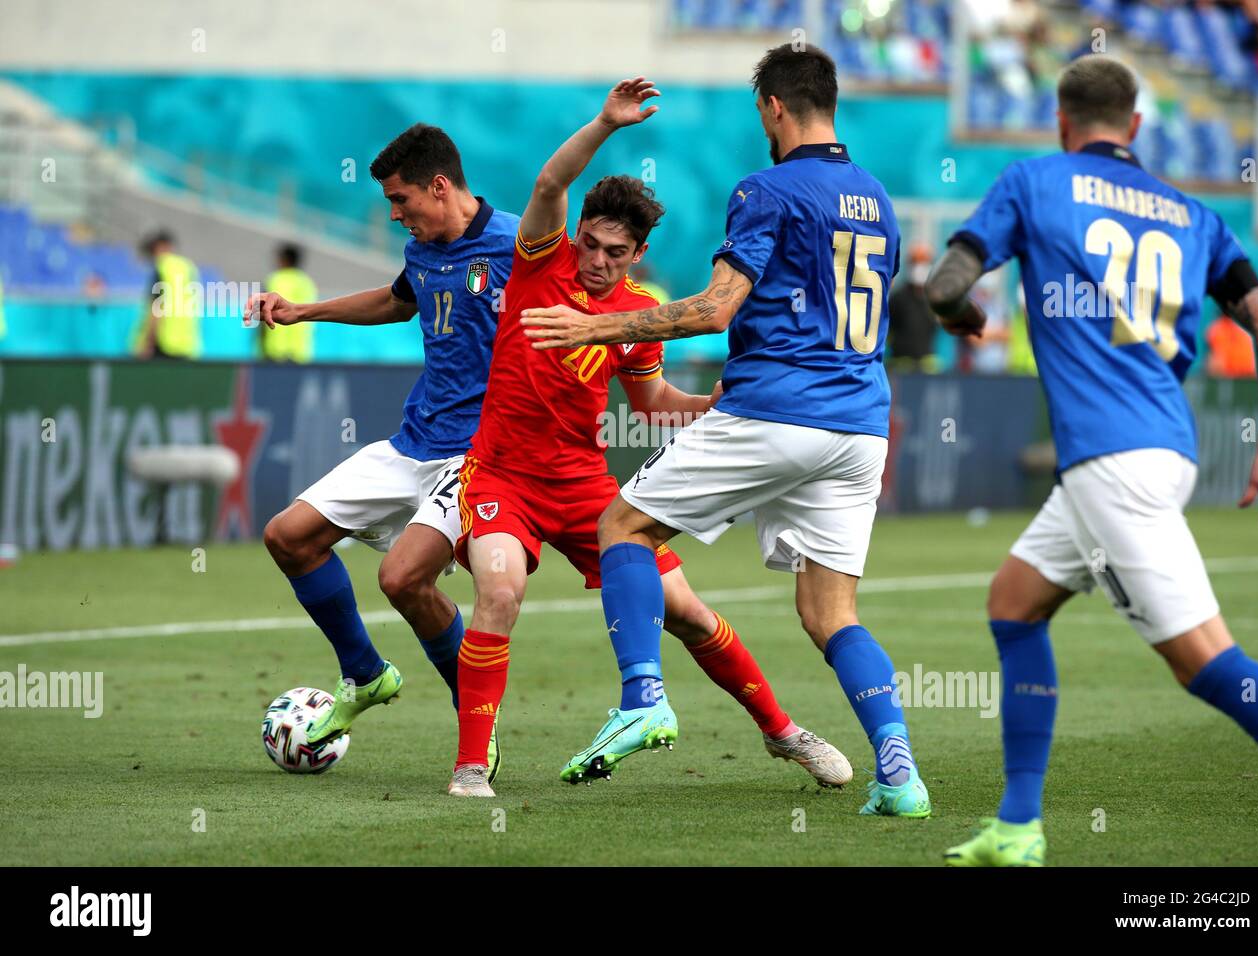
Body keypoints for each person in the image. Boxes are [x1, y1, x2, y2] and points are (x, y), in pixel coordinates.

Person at [521, 47, 931, 818]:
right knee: (831, 614)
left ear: (773, 107)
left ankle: (643, 696)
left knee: (623, 526)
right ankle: (900, 774)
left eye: (760, 114)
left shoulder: (766, 189)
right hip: (861, 427)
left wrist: (593, 327)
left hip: (781, 408)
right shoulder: (877, 198)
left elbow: (713, 309)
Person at [924, 54, 1258, 866]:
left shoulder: (1034, 180)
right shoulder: (1193, 213)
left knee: (1209, 663)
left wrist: (960, 312)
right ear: (1135, 127)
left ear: (1062, 123)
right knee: (1013, 603)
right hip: (1159, 446)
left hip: (1111, 462)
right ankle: (1018, 829)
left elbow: (946, 281)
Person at [447, 77, 850, 798]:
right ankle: (472, 768)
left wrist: (714, 404)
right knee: (500, 593)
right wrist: (605, 122)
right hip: (503, 476)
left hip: (582, 485)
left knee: (690, 615)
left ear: (638, 255)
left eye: (616, 252)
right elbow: (549, 179)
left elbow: (654, 401)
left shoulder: (639, 314)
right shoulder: (541, 261)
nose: (598, 261)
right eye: (593, 245)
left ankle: (783, 732)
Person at [245, 124, 518, 780]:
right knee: (288, 536)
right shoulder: (421, 249)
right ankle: (365, 674)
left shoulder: (518, 245)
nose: (395, 214)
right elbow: (396, 302)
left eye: (401, 199)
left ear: (440, 186)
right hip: (412, 441)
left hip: (477, 456)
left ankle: (474, 720)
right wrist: (302, 312)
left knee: (401, 579)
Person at [135, 230, 200, 360]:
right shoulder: (187, 267)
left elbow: (157, 309)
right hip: (187, 344)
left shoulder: (161, 268)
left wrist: (148, 343)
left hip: (163, 345)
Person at [886, 241, 940, 372]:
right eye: (915, 261)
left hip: (928, 367)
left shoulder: (936, 298)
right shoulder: (897, 298)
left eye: (924, 261)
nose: (919, 266)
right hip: (900, 367)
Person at [260, 244, 317, 363]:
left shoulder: (274, 279)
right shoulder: (307, 283)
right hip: (300, 352)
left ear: (284, 260)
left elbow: (260, 314)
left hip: (274, 350)